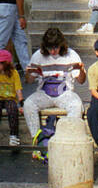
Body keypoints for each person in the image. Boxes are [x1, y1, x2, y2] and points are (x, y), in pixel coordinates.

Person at [23, 26, 86, 154]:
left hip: (65, 92)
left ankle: (68, 139)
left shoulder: (71, 55)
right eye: (49, 48)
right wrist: (28, 73)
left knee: (76, 105)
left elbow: (81, 81)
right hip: (44, 93)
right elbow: (29, 81)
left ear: (61, 45)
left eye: (55, 48)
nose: (52, 51)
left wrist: (81, 70)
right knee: (28, 104)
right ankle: (37, 140)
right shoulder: (38, 56)